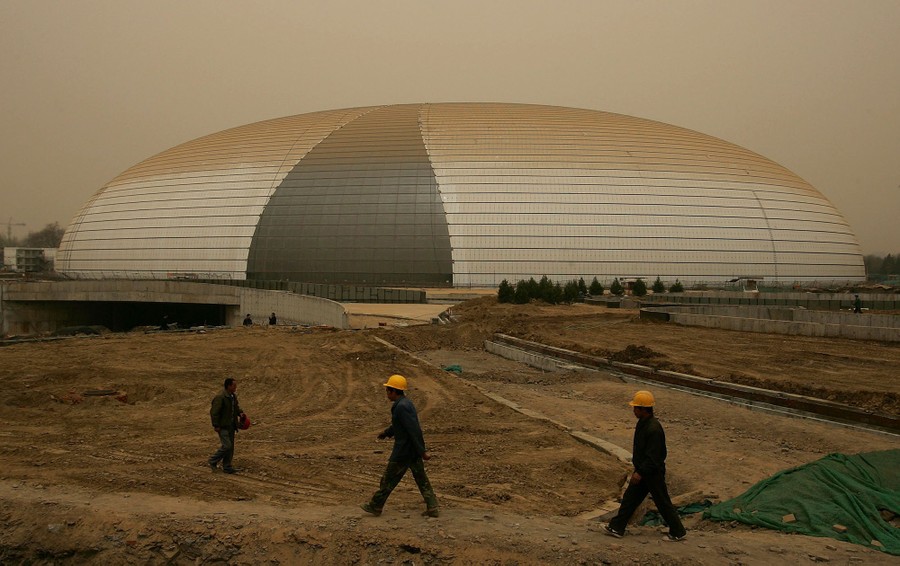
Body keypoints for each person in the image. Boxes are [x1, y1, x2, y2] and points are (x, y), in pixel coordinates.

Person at [605, 390, 686, 542]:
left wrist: (640, 472)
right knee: (630, 498)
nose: (633, 410)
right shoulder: (644, 424)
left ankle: (678, 531)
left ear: (643, 409)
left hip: (652, 473)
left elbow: (654, 456)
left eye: (636, 408)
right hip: (644, 470)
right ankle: (617, 527)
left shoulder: (653, 429)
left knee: (662, 502)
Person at [361, 374, 439, 518]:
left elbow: (413, 430)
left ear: (393, 391)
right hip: (412, 451)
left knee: (388, 479)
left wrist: (423, 452)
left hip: (404, 451)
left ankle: (375, 505)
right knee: (421, 479)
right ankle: (432, 506)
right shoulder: (405, 404)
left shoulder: (401, 407)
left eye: (388, 391)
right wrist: (386, 433)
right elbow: (400, 426)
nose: (387, 394)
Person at [208, 377, 243, 474]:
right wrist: (216, 425)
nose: (236, 387)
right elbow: (214, 412)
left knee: (230, 447)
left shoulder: (232, 396)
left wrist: (240, 413)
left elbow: (235, 408)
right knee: (227, 446)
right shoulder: (220, 397)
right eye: (234, 385)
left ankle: (227, 466)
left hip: (231, 425)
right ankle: (212, 461)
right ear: (228, 386)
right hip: (222, 426)